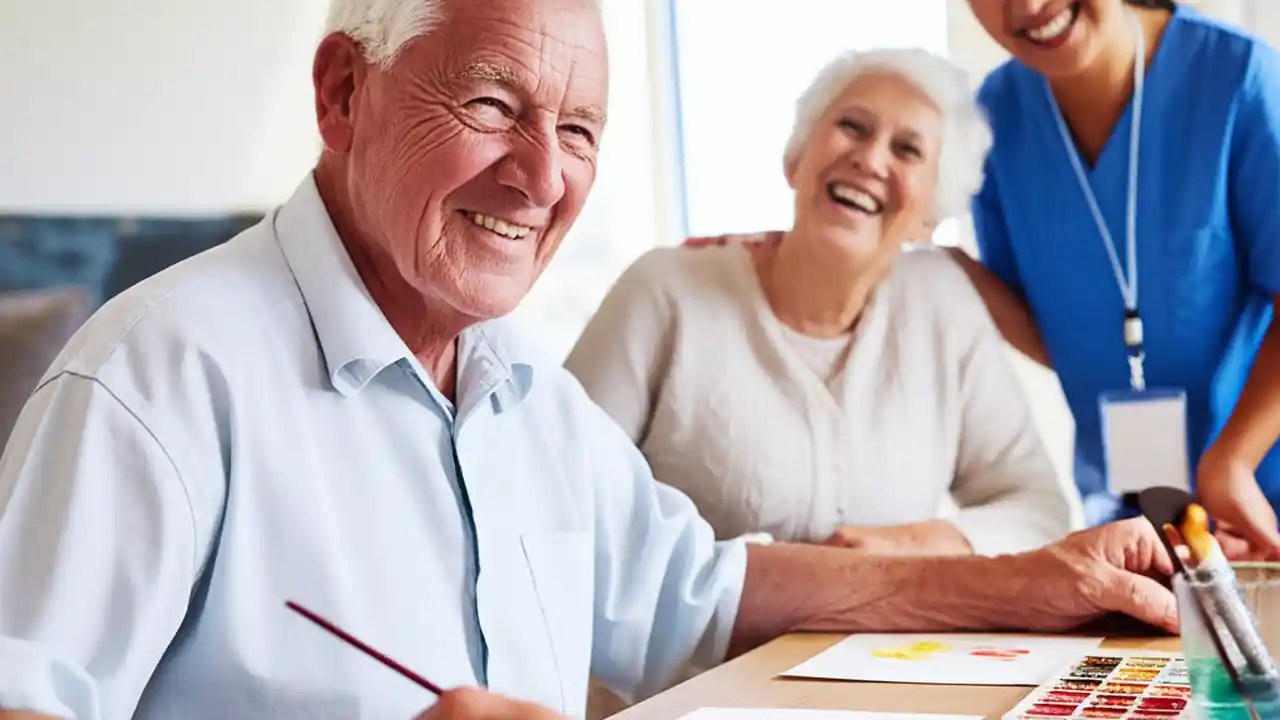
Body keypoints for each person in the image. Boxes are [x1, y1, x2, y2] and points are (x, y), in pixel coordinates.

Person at [0, 1, 1176, 718]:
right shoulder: (154, 374)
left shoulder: (516, 384)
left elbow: (698, 595)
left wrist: (1023, 583)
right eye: (491, 104)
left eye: (576, 131)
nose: (541, 177)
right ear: (343, 94)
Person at [566, 48, 1074, 557]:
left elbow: (1037, 508)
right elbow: (555, 496)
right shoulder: (663, 291)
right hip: (695, 638)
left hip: (882, 639)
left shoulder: (944, 305)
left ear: (931, 215)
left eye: (908, 150)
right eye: (853, 127)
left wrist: (915, 544)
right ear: (796, 158)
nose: (871, 159)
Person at [957, 0, 1280, 554]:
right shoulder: (992, 117)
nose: (1030, 7)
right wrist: (931, 258)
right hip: (1138, 517)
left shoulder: (1237, 78)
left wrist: (1232, 460)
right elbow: (1047, 326)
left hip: (1259, 501)